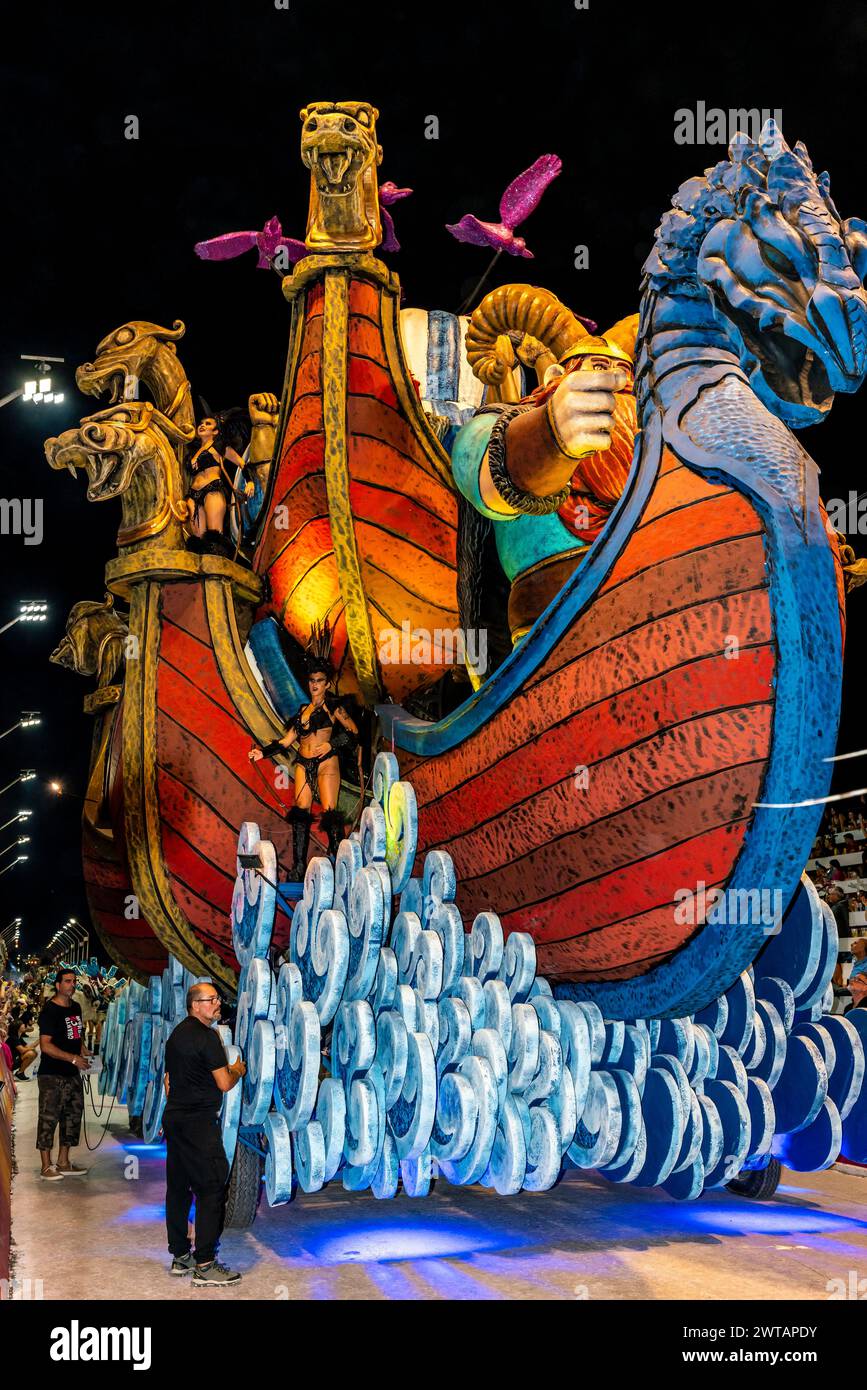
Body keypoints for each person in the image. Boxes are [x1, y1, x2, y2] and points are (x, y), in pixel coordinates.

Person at [249, 627, 359, 875]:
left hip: (327, 762)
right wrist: (262, 753)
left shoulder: (334, 707)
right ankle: (298, 867)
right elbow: (286, 741)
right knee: (300, 813)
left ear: (327, 683)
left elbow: (353, 732)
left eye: (319, 681)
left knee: (330, 813)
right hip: (303, 762)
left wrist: (332, 744)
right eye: (311, 681)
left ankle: (339, 863)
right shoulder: (301, 711)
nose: (314, 685)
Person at [162, 980, 246, 1286]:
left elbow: (168, 1082)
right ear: (195, 1004)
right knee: (211, 1187)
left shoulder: (176, 1036)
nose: (217, 1004)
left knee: (179, 1188)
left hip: (175, 1118)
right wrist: (238, 1069)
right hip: (198, 1123)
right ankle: (206, 1264)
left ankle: (180, 1256)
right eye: (211, 1000)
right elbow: (224, 1083)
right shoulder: (207, 1038)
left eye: (217, 1000)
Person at [36, 968, 89, 1180]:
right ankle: (46, 1166)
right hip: (51, 1074)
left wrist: (83, 1050)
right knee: (48, 1119)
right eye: (67, 981)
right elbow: (45, 1046)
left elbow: (76, 1036)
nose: (72, 985)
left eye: (74, 981)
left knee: (72, 1117)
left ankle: (64, 1161)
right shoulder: (49, 1011)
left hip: (72, 1073)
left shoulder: (75, 1007)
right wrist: (72, 1058)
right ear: (57, 985)